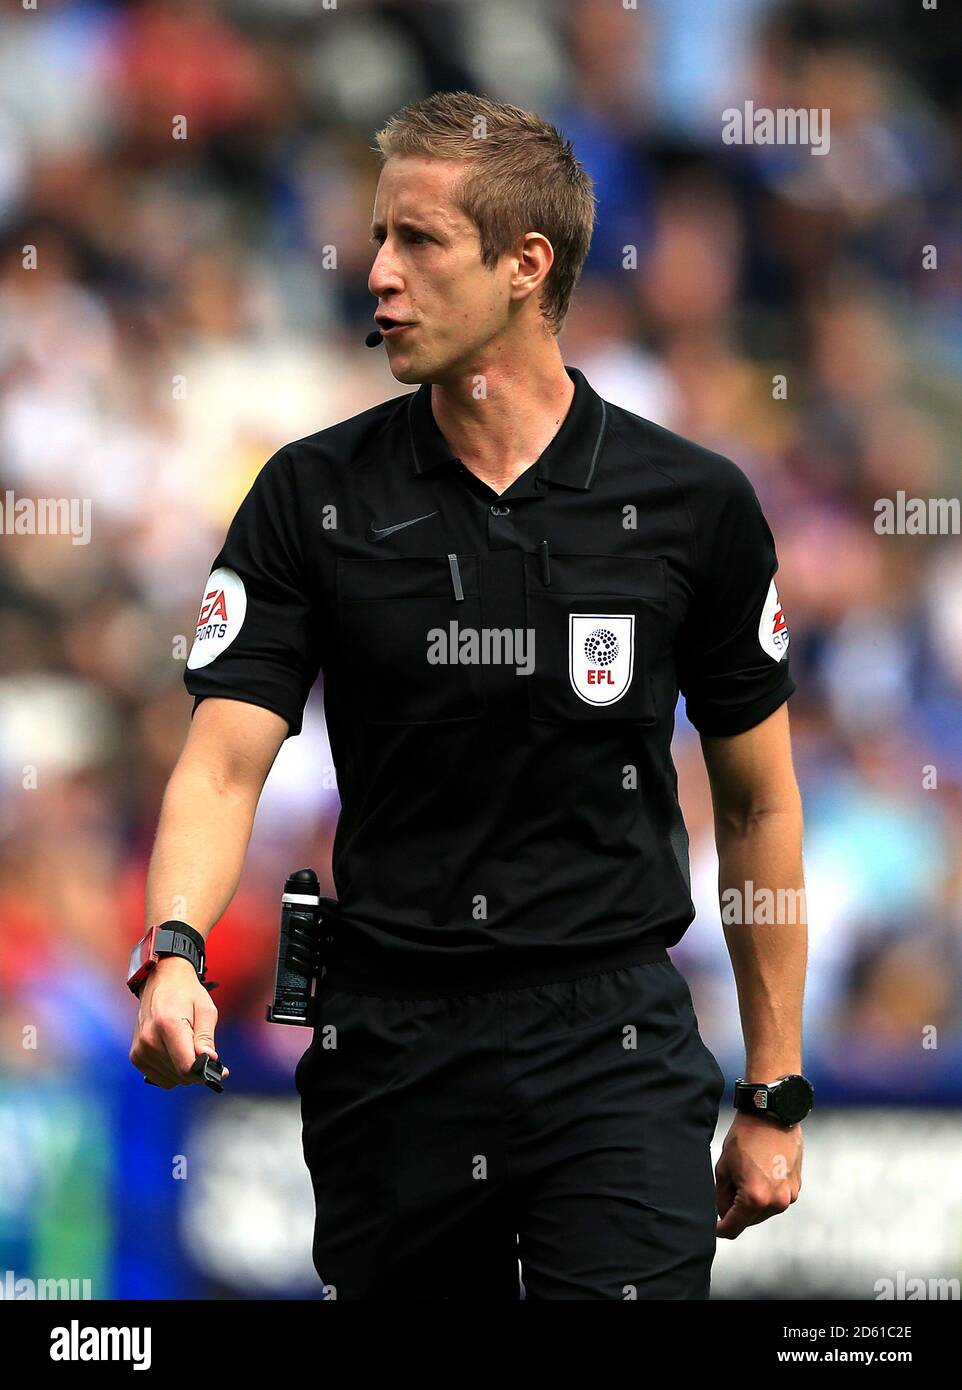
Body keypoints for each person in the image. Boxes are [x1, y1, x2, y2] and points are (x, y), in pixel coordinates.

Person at [128, 91, 810, 1300]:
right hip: (390, 1047)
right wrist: (173, 946)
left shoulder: (692, 505)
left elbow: (757, 805)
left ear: (523, 266)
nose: (376, 274)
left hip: (613, 1043)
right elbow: (224, 761)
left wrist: (771, 1086)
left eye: (417, 241)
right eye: (376, 237)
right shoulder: (309, 495)